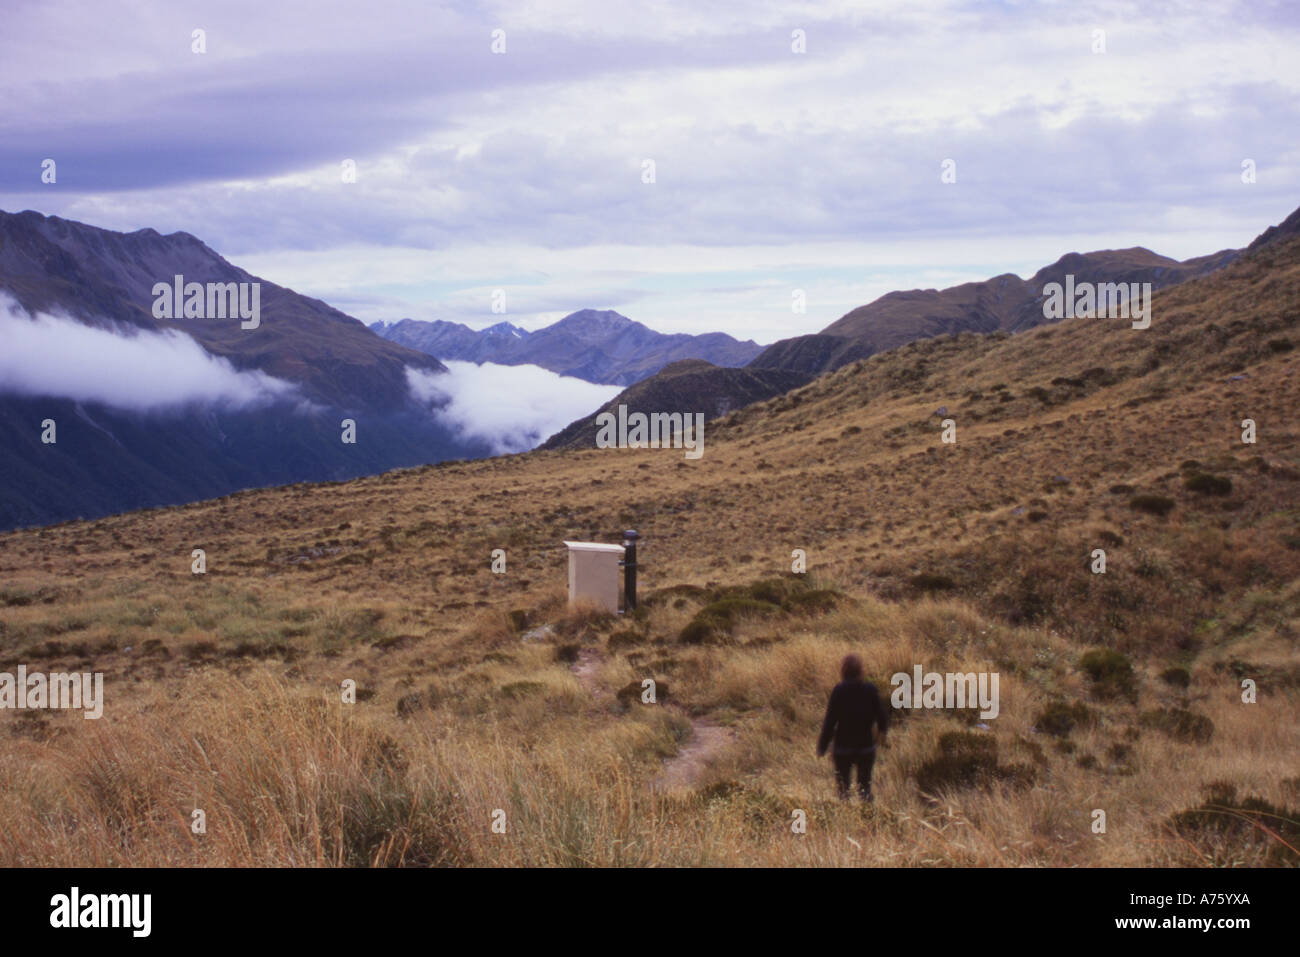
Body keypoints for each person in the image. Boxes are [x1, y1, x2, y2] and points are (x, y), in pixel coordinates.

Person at [816, 654, 890, 801]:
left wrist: (822, 747)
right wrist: (882, 733)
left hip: (843, 748)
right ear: (861, 671)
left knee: (843, 790)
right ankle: (868, 818)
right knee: (865, 788)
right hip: (866, 747)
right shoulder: (871, 689)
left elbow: (830, 721)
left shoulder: (839, 691)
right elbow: (882, 716)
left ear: (843, 671)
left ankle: (846, 819)